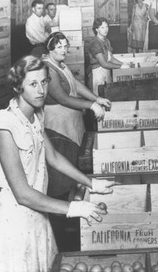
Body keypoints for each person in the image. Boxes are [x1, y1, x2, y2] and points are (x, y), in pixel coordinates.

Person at [0, 56, 116, 272]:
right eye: (33, 84)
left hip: (39, 218)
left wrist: (91, 183)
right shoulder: (5, 129)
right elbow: (23, 194)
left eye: (44, 82)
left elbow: (53, 158)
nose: (41, 90)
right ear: (18, 86)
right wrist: (74, 208)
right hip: (13, 227)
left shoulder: (35, 116)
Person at [41, 32, 111, 198]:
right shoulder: (48, 69)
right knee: (62, 171)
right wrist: (91, 105)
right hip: (58, 127)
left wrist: (97, 98)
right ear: (50, 49)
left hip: (72, 124)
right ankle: (62, 206)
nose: (64, 50)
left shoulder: (61, 65)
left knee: (74, 163)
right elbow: (62, 98)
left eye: (66, 46)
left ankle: (74, 198)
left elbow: (76, 85)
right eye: (59, 47)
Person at [88, 17, 129, 94]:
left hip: (106, 72)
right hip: (97, 75)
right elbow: (103, 63)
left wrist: (123, 64)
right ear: (96, 29)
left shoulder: (106, 41)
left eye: (106, 27)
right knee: (99, 97)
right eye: (102, 27)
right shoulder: (95, 43)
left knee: (107, 96)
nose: (105, 29)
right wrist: (120, 67)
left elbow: (111, 58)